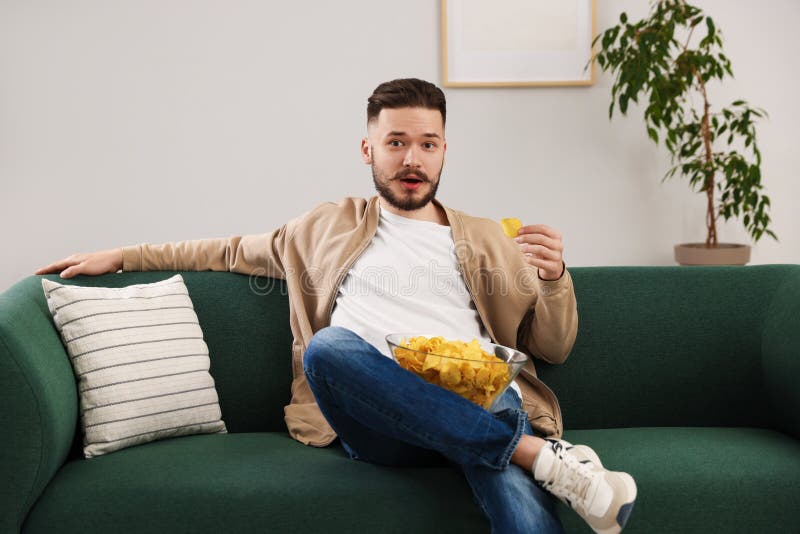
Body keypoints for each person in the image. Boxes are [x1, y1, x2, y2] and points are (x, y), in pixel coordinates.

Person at [36, 78, 636, 533]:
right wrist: (120, 255)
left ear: (445, 149)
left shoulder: (485, 236)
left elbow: (552, 345)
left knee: (497, 456)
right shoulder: (322, 227)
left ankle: (519, 454)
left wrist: (555, 278)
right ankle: (539, 454)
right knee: (330, 349)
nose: (411, 159)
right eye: (395, 142)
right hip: (377, 415)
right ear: (367, 148)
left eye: (427, 144)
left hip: (474, 390)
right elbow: (222, 249)